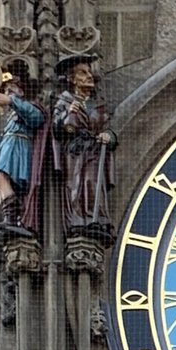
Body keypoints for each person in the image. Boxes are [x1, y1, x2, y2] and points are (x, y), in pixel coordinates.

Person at [52, 53, 117, 239]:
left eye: (89, 72)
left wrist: (109, 136)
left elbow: (109, 129)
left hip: (95, 150)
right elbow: (56, 130)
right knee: (78, 184)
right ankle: (78, 220)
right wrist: (66, 116)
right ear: (72, 79)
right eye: (82, 73)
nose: (89, 76)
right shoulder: (64, 102)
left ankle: (96, 219)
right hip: (75, 152)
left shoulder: (98, 105)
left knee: (93, 182)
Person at [0, 70, 46, 233]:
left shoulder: (29, 107)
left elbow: (37, 118)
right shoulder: (11, 117)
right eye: (6, 91)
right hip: (9, 149)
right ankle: (12, 218)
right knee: (3, 183)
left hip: (19, 150)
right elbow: (4, 142)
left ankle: (12, 218)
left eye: (11, 90)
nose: (7, 93)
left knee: (0, 177)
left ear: (21, 91)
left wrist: (11, 101)